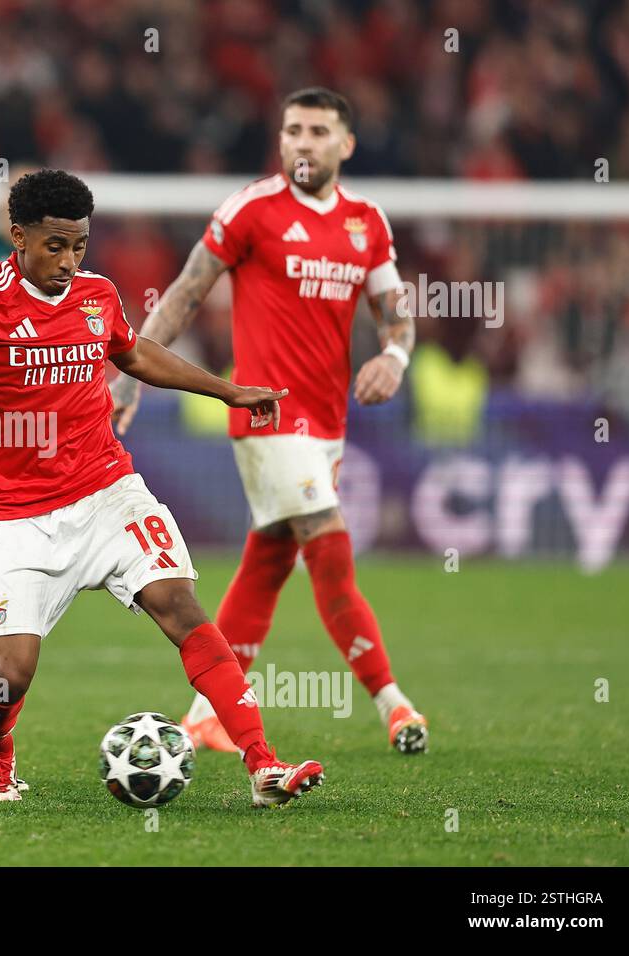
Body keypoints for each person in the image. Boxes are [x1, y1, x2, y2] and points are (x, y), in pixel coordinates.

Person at [0, 168, 326, 807]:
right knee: (8, 677)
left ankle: (264, 765)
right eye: (55, 245)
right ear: (18, 237)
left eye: (79, 245)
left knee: (182, 607)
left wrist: (227, 390)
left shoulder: (97, 294)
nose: (69, 260)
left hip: (108, 490)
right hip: (18, 517)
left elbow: (132, 354)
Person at [111, 87, 428, 755]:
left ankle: (204, 715)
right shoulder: (252, 210)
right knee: (329, 546)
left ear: (346, 144)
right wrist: (126, 373)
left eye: (317, 131)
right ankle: (393, 703)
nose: (302, 142)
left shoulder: (366, 222)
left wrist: (396, 356)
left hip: (326, 424)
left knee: (269, 562)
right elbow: (186, 293)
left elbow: (396, 312)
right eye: (292, 130)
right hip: (266, 414)